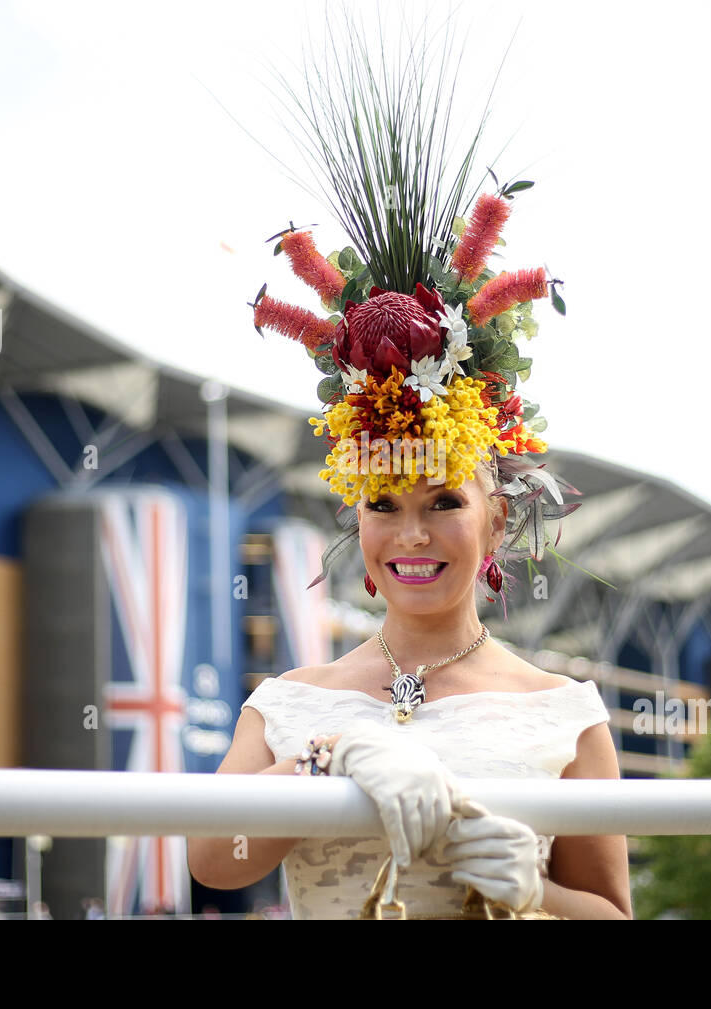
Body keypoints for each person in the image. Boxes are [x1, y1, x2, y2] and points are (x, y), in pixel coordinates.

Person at [187, 12, 631, 919]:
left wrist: (534, 895)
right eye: (383, 503)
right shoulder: (289, 703)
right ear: (353, 513)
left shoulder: (566, 710)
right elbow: (215, 862)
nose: (412, 533)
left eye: (443, 501)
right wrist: (329, 756)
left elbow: (613, 916)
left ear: (497, 518)